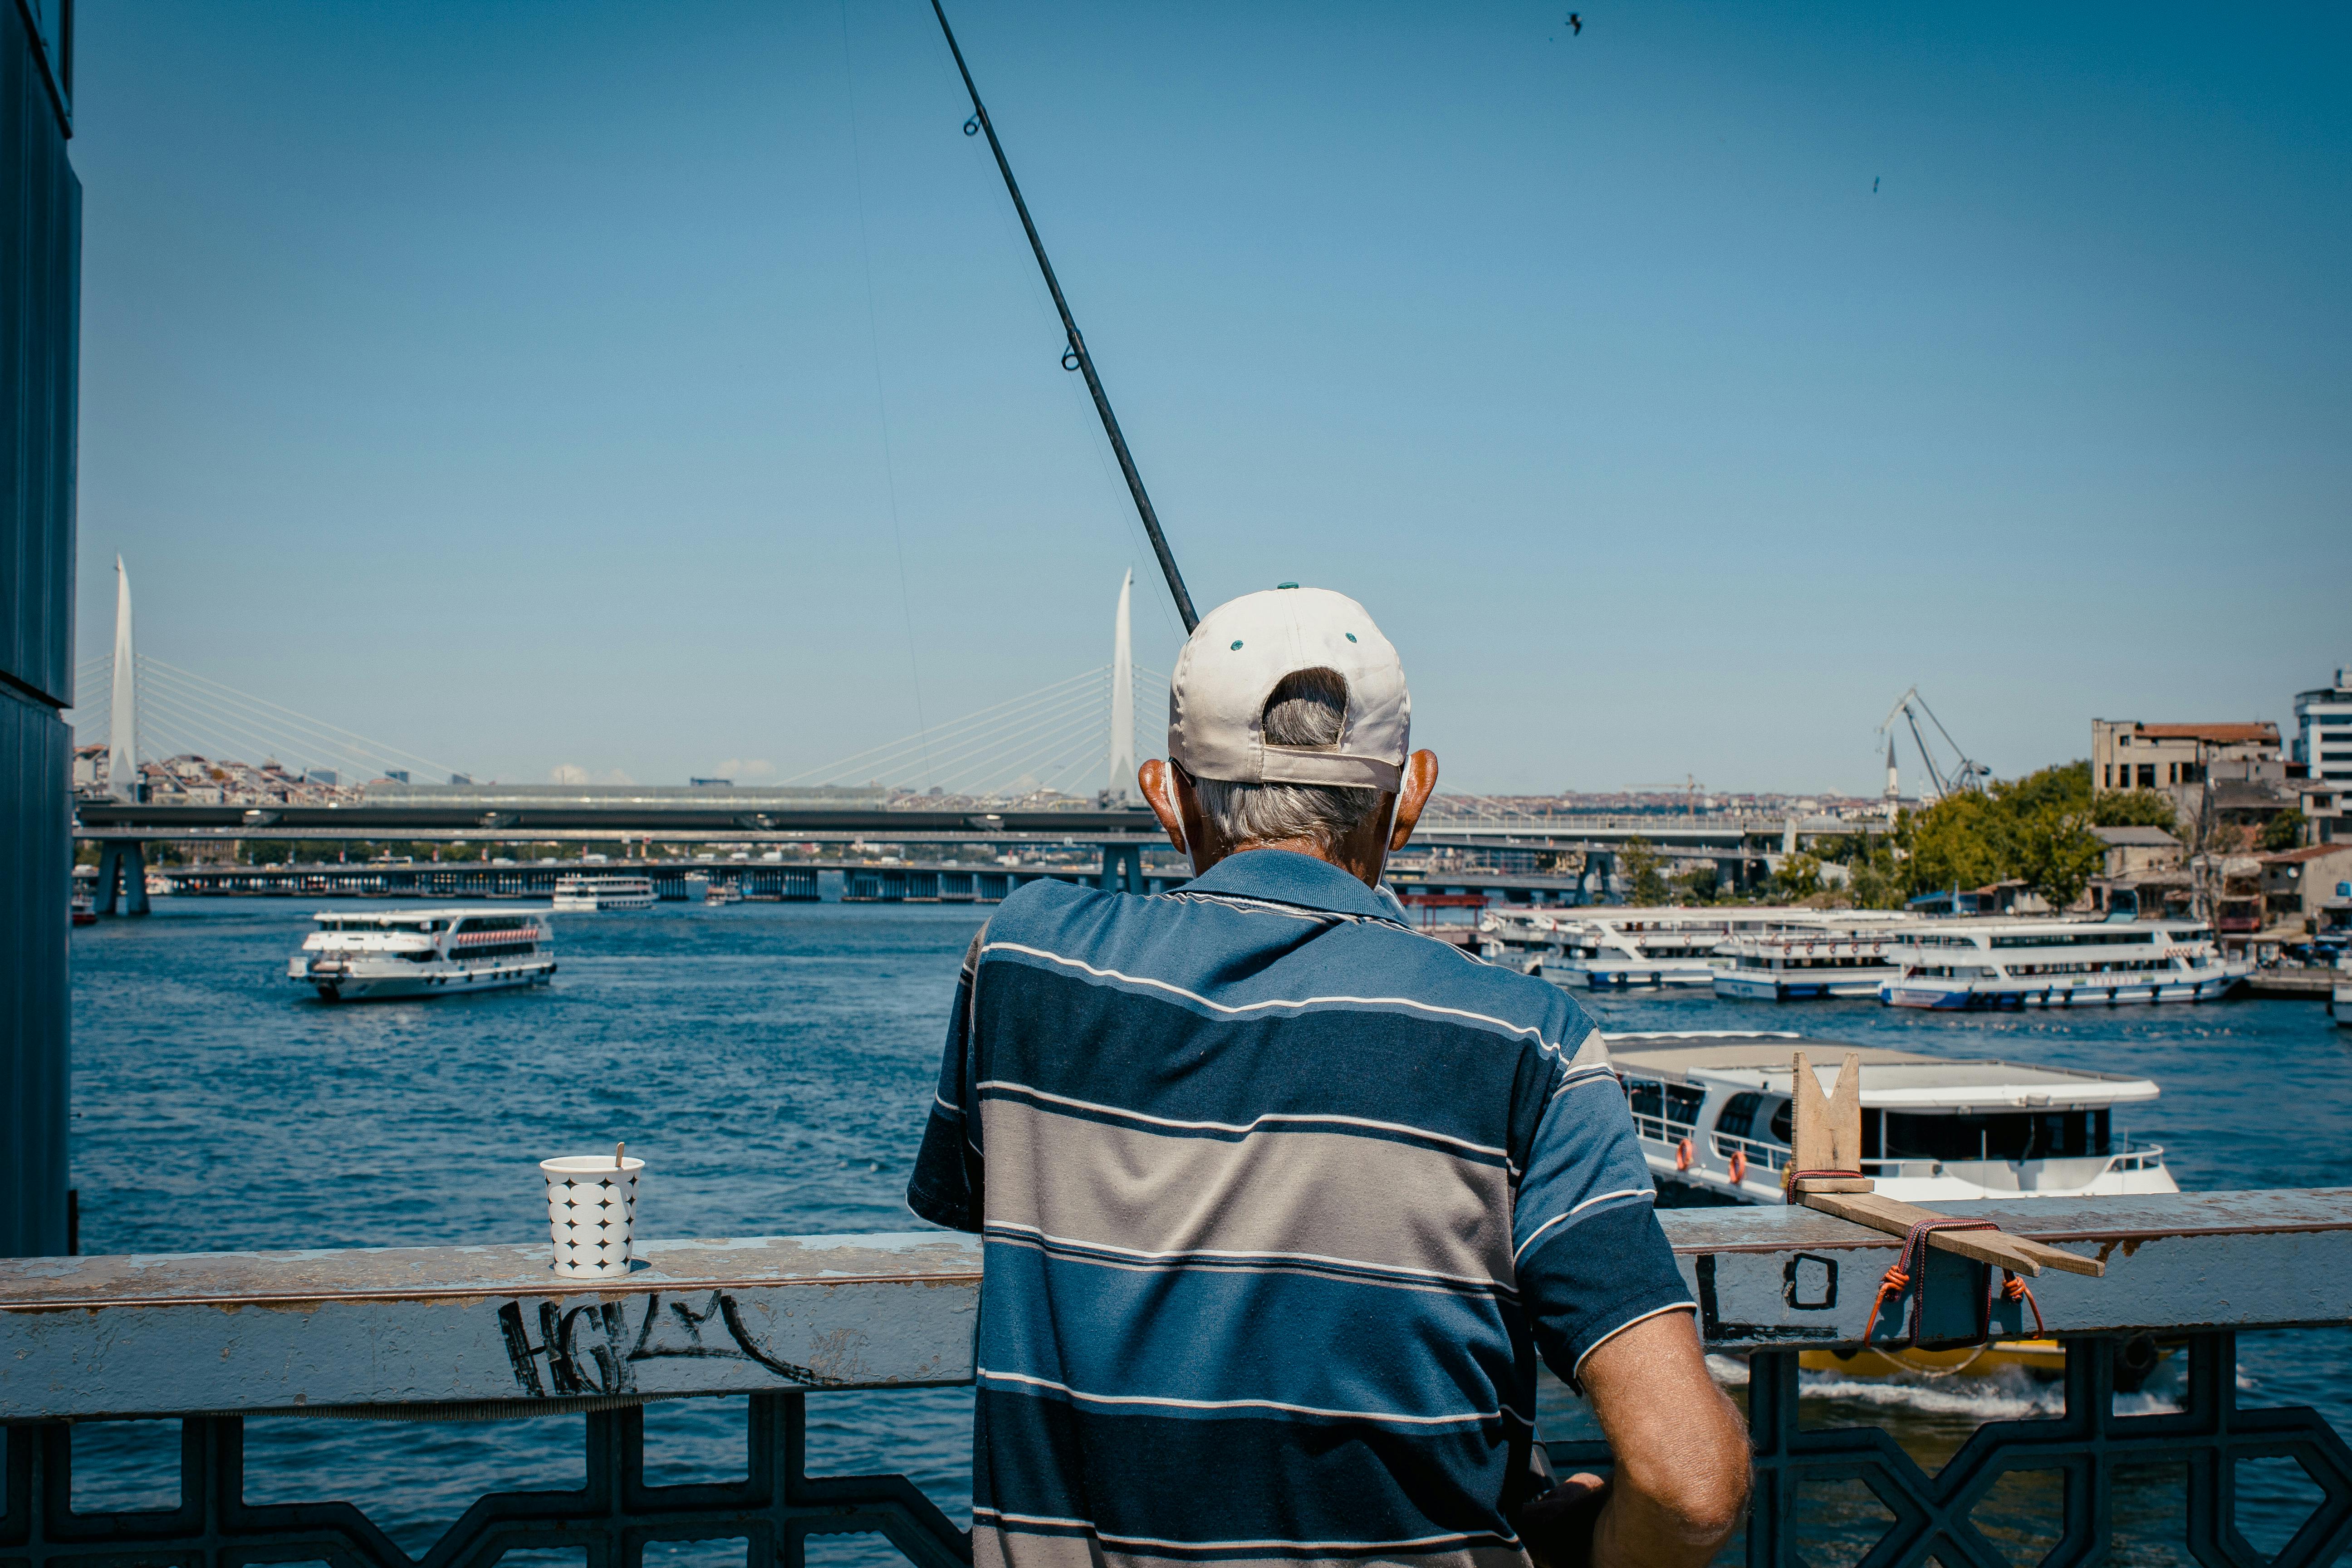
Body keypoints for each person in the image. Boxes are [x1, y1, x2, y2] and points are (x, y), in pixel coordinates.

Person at [908, 585, 1749, 1568]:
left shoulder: (1025, 962)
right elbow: (1690, 1489)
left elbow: (982, 1196)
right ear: (1415, 794)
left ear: (1164, 795)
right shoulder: (1532, 1042)